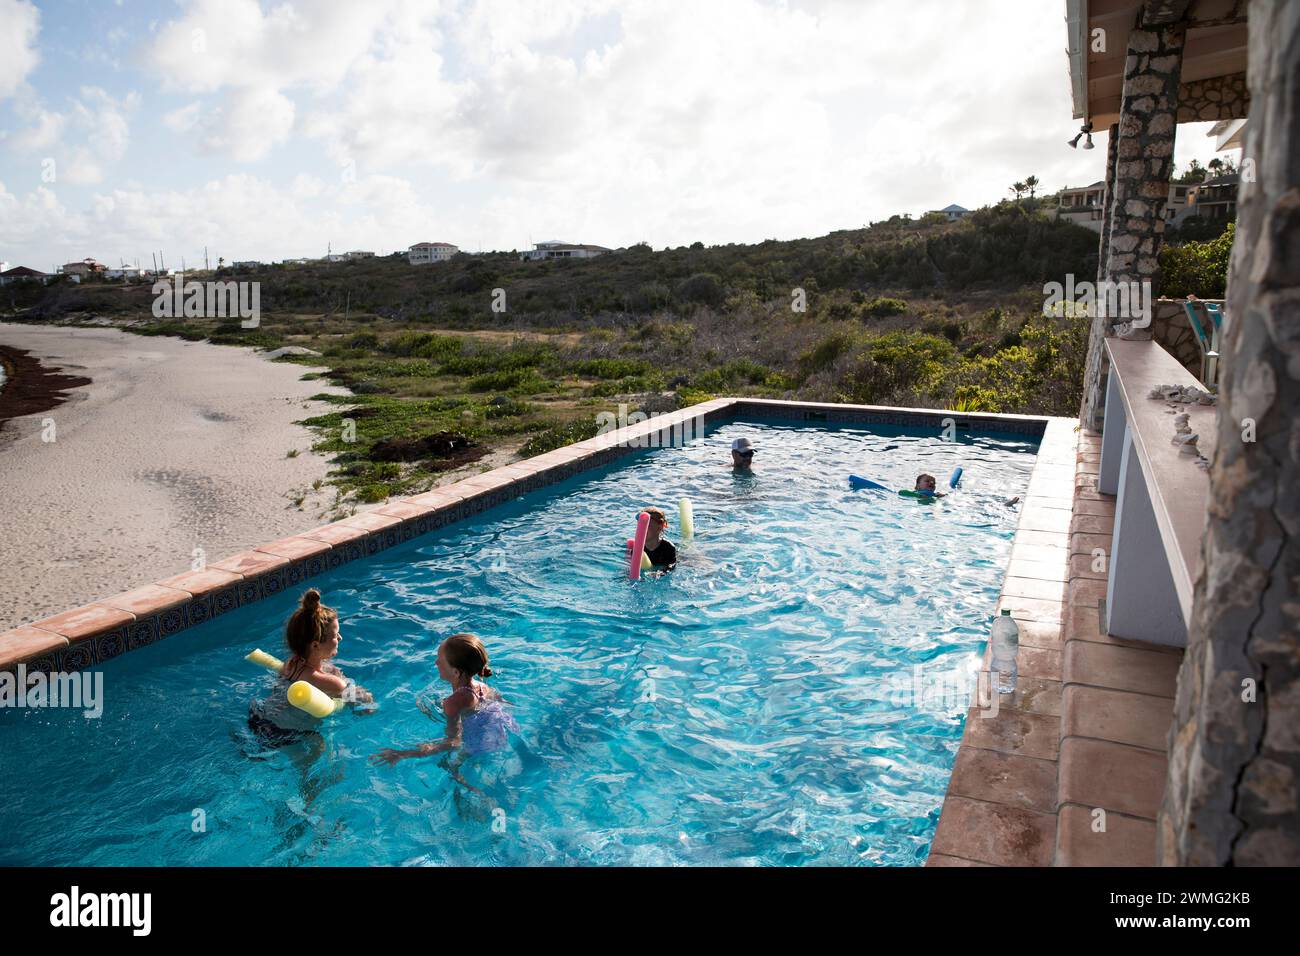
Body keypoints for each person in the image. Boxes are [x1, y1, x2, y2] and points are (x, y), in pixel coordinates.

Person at [247, 588, 372, 745]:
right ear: (315, 645)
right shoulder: (332, 683)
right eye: (335, 635)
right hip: (283, 734)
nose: (340, 637)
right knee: (319, 745)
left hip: (259, 717)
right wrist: (366, 703)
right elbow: (363, 707)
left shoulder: (290, 664)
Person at [371, 634, 518, 767]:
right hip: (498, 732)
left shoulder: (452, 702)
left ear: (455, 672)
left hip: (477, 744)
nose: (436, 663)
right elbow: (501, 703)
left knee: (452, 770)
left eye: (440, 660)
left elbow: (453, 742)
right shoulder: (482, 686)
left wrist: (403, 754)